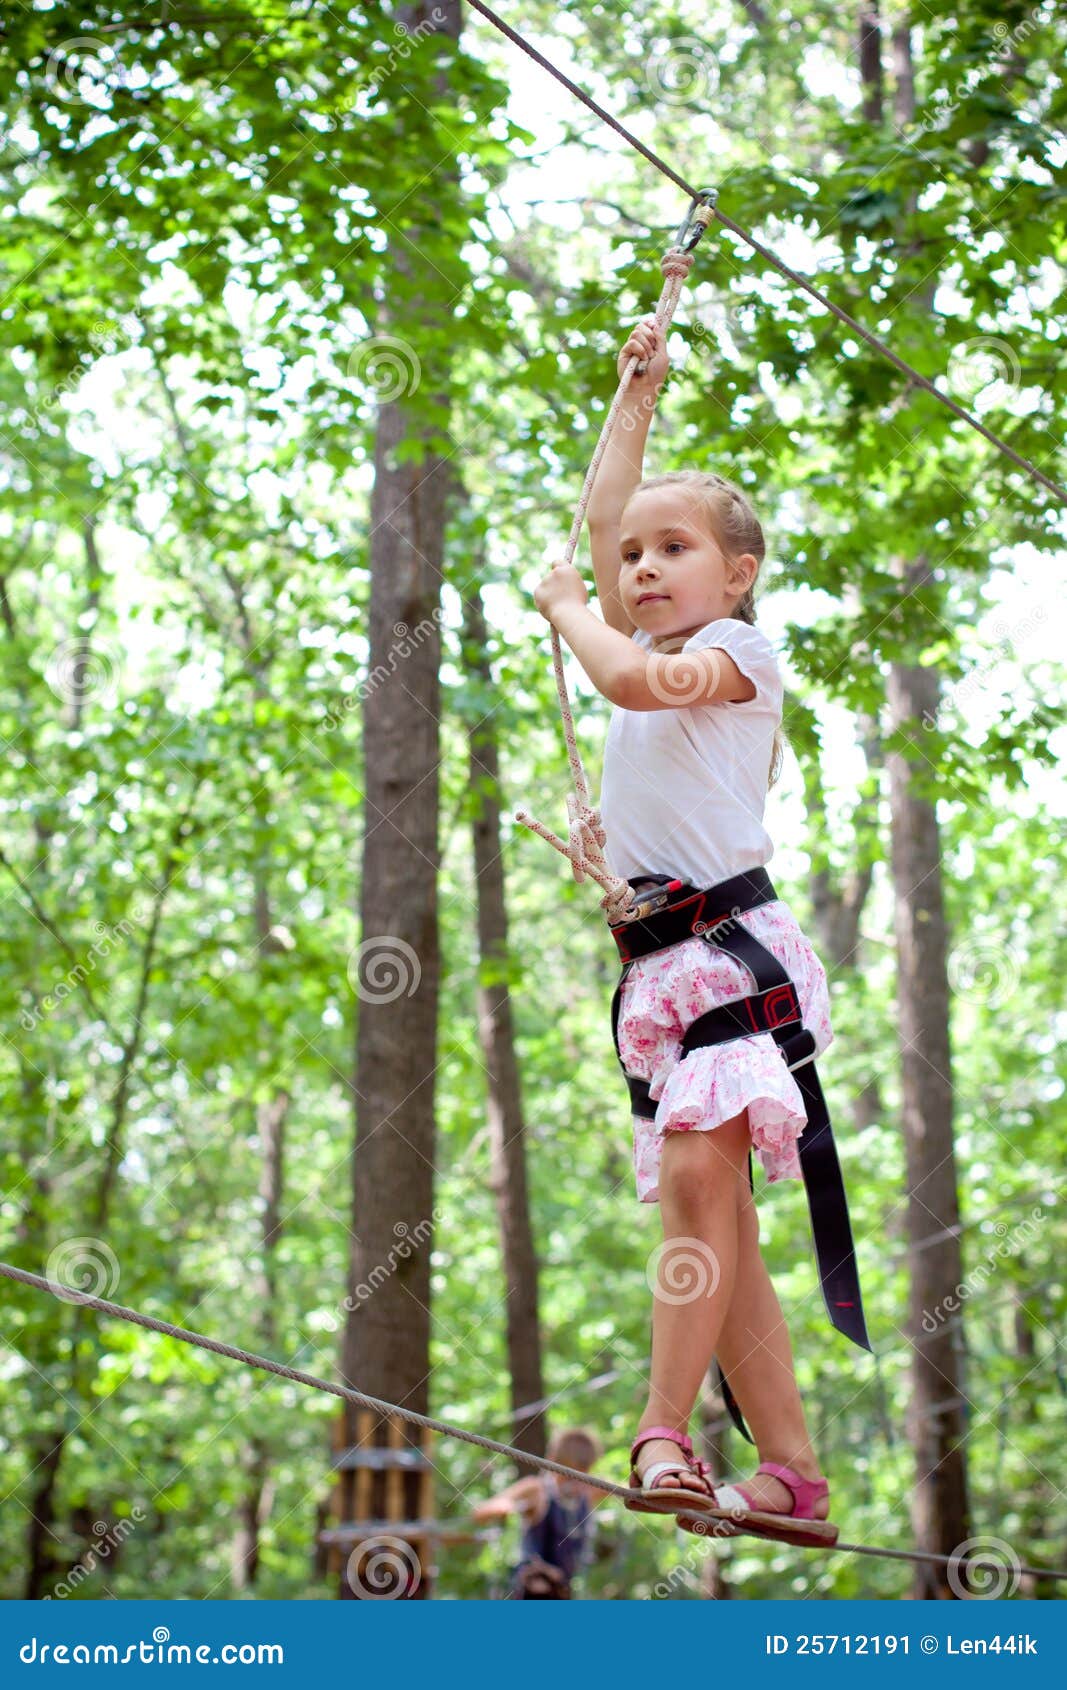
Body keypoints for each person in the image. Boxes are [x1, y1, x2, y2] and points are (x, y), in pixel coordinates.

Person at [531, 315, 836, 1542]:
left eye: (674, 549)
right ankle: (793, 1475)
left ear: (736, 574)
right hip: (660, 973)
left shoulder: (731, 655)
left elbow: (622, 674)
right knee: (721, 1231)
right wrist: (634, 400)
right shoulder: (648, 625)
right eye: (631, 558)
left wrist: (566, 609)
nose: (641, 567)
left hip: (734, 960)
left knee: (701, 1183)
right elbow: (602, 522)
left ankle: (663, 1431)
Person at [471, 1427, 604, 1597]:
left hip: (563, 1591)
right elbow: (481, 1512)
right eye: (567, 1474)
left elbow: (624, 1491)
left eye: (580, 1474)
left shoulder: (589, 1491)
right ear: (552, 1462)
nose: (573, 1483)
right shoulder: (537, 1490)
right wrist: (503, 1506)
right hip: (532, 1590)